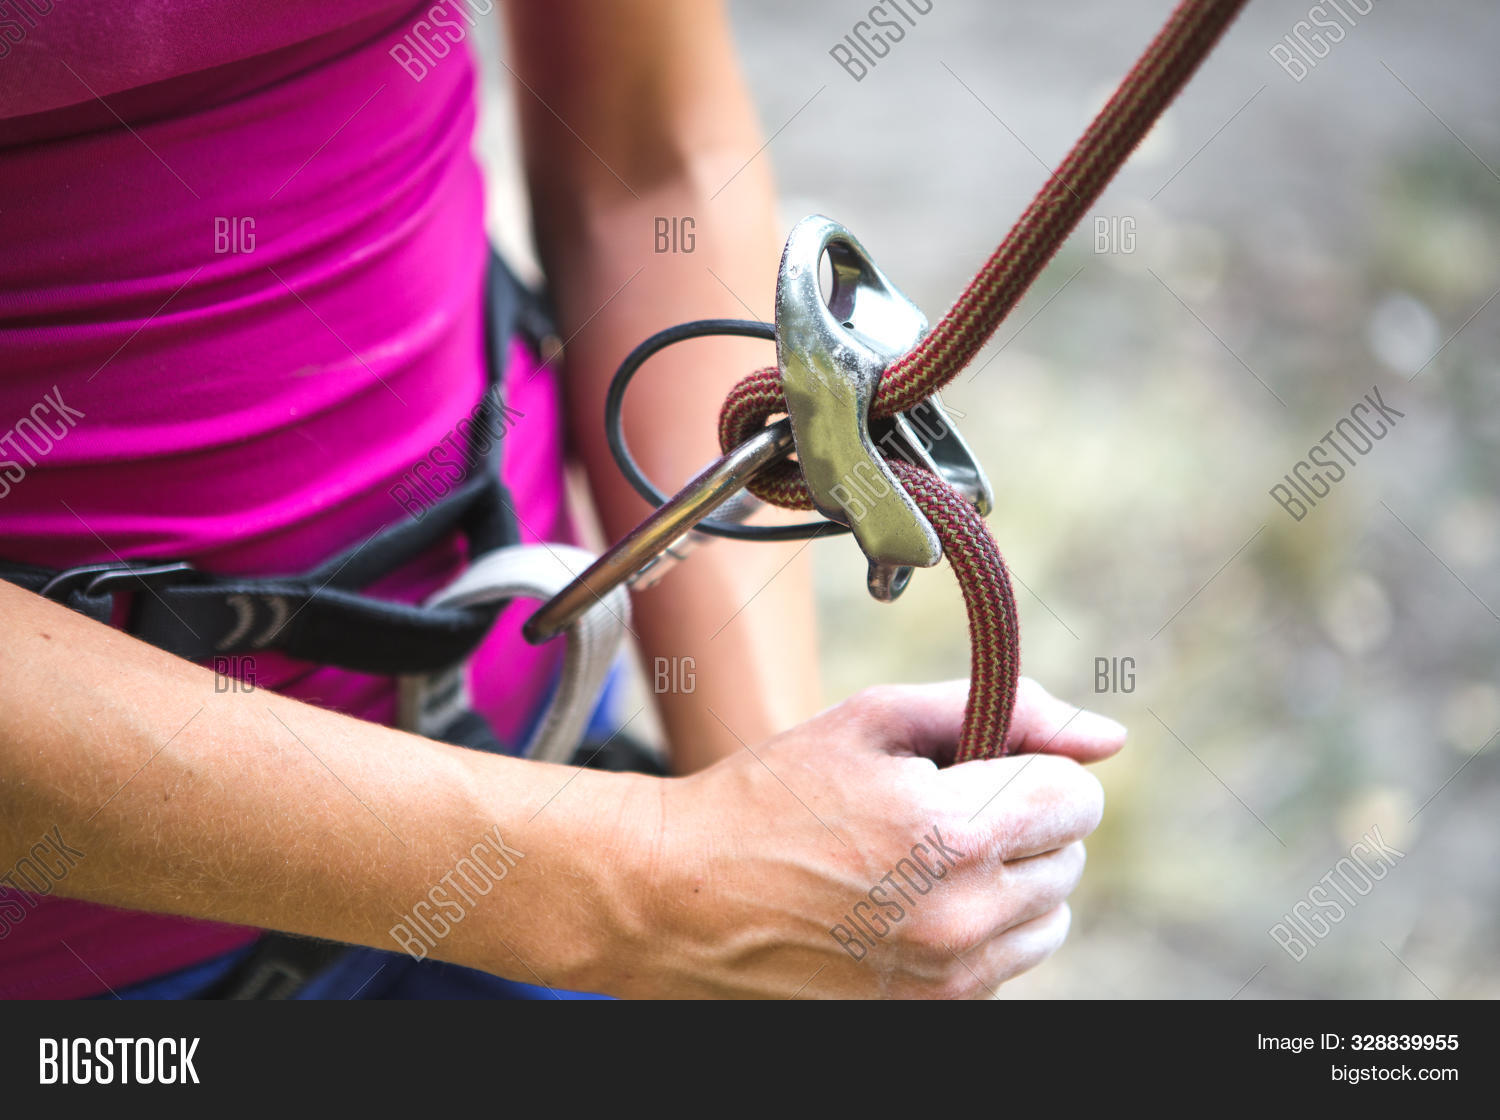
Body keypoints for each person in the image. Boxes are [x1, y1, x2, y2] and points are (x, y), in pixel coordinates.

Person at [0, 0, 1124, 999]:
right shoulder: (644, 883)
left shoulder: (668, 864)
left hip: (549, 756)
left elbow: (645, 158)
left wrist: (772, 837)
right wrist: (653, 890)